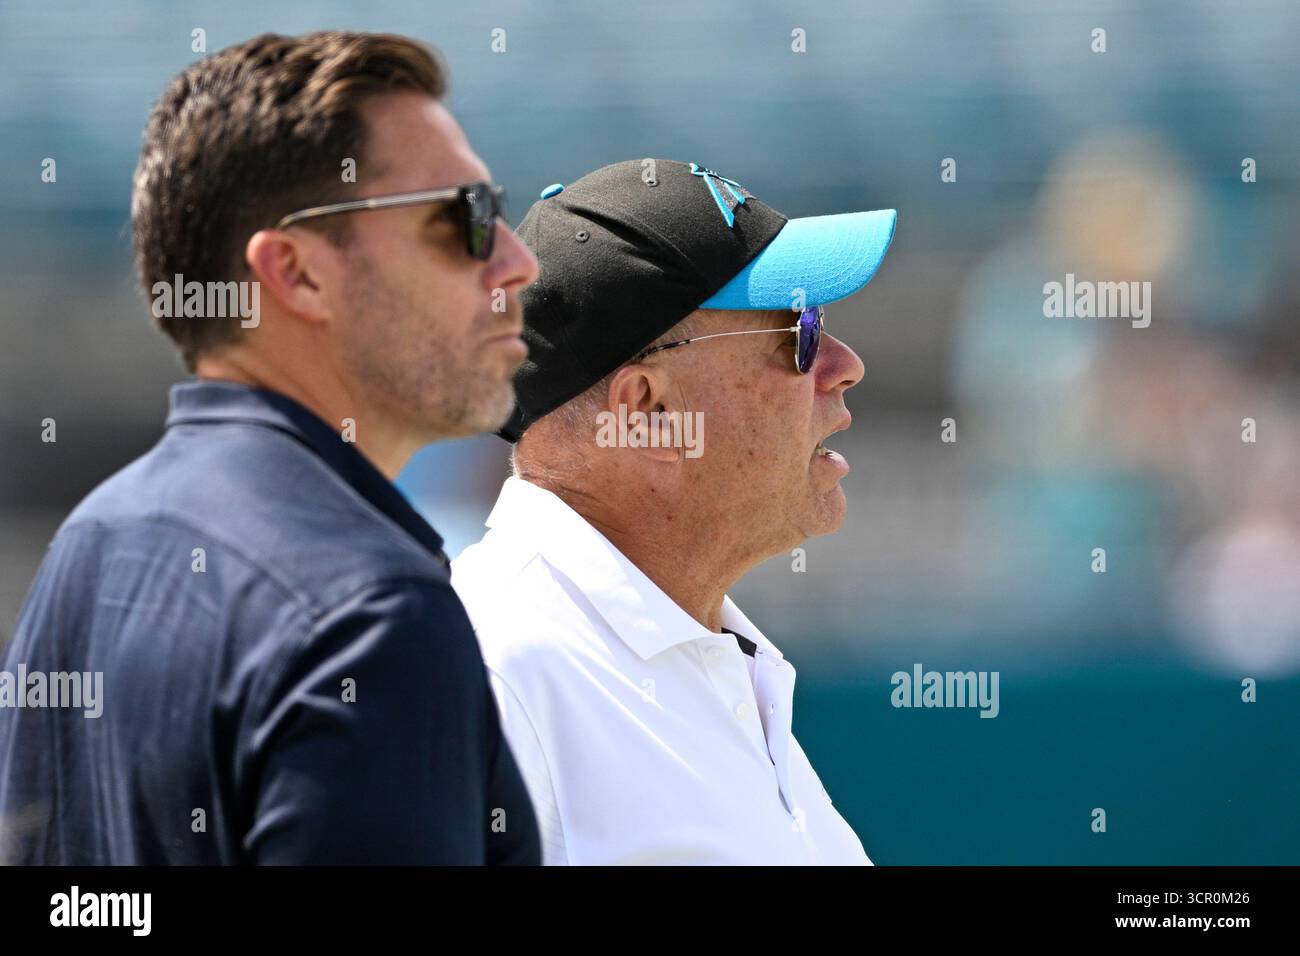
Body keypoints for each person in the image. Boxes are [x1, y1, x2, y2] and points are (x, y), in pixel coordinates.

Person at [0, 31, 541, 864]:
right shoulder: (372, 611)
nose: (518, 261)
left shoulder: (90, 544)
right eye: (463, 218)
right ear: (296, 273)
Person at [452, 159, 896, 864]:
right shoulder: (490, 669)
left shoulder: (709, 652)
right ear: (649, 412)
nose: (844, 364)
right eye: (800, 330)